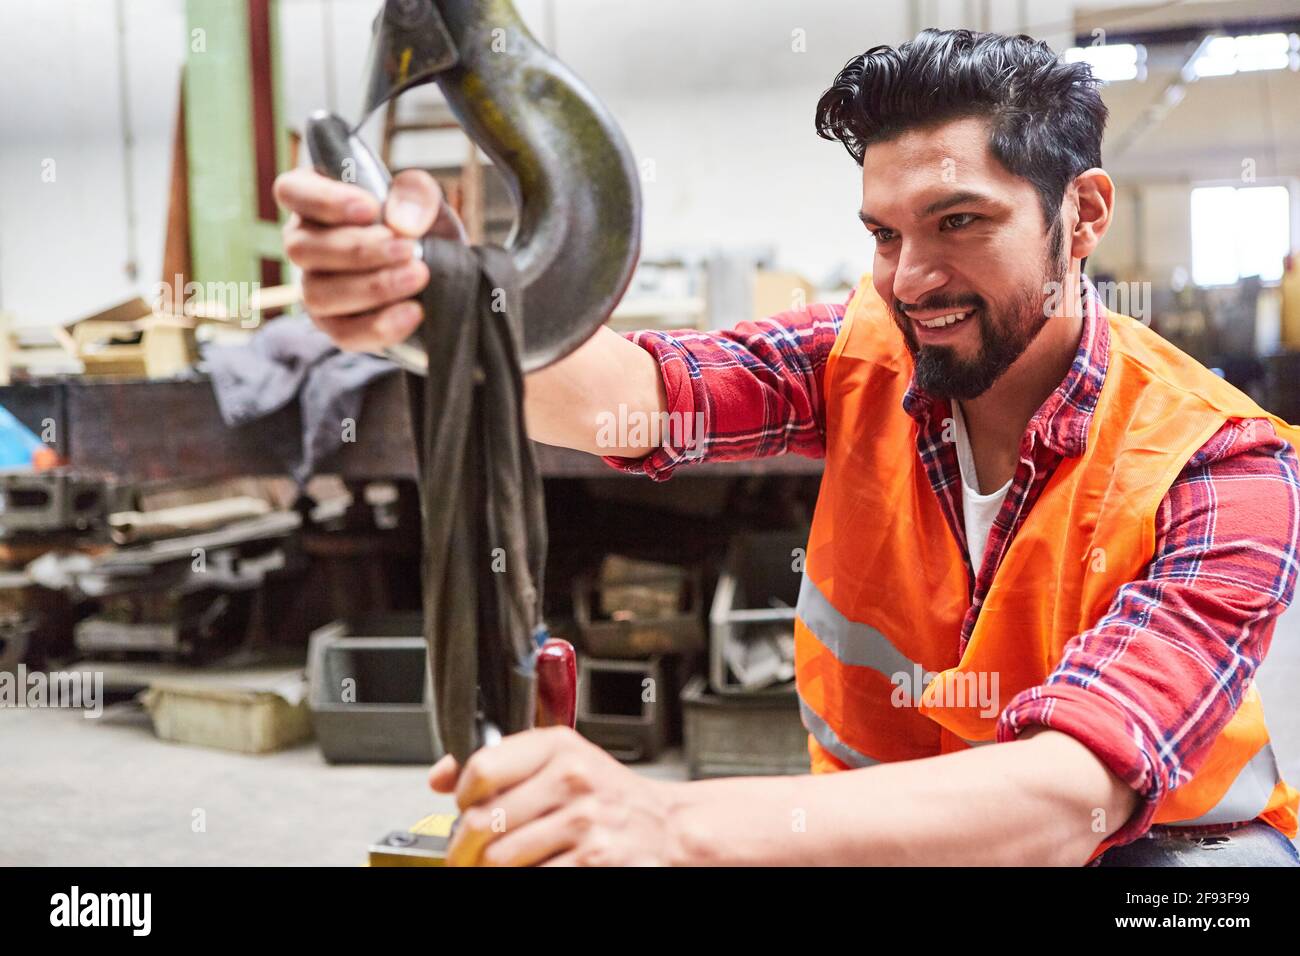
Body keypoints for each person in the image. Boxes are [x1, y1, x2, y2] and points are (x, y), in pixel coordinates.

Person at [275, 29, 1300, 866]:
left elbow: (1070, 796)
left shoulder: (1221, 466)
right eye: (885, 233)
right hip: (890, 841)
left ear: (1080, 215)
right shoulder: (861, 349)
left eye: (957, 222)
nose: (910, 278)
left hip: (1158, 854)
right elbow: (630, 398)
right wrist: (427, 310)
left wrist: (669, 820)